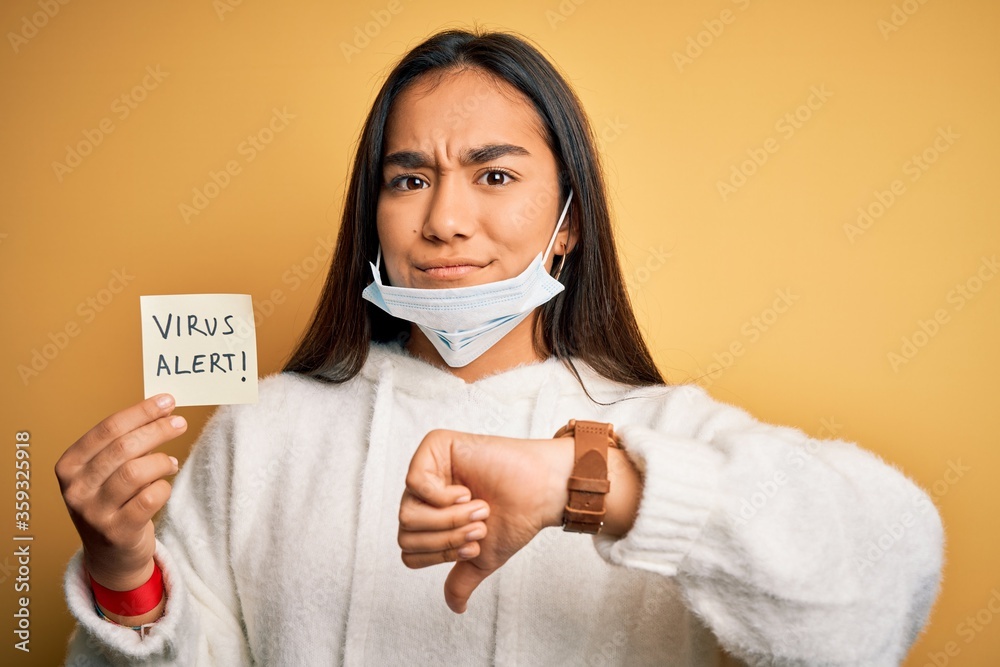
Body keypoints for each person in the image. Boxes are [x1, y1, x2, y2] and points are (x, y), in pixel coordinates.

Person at [57, 28, 944, 666]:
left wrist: (592, 486)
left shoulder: (664, 427)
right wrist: (127, 575)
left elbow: (882, 590)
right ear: (374, 212)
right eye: (410, 179)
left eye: (494, 175)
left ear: (567, 225)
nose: (444, 220)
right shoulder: (265, 432)